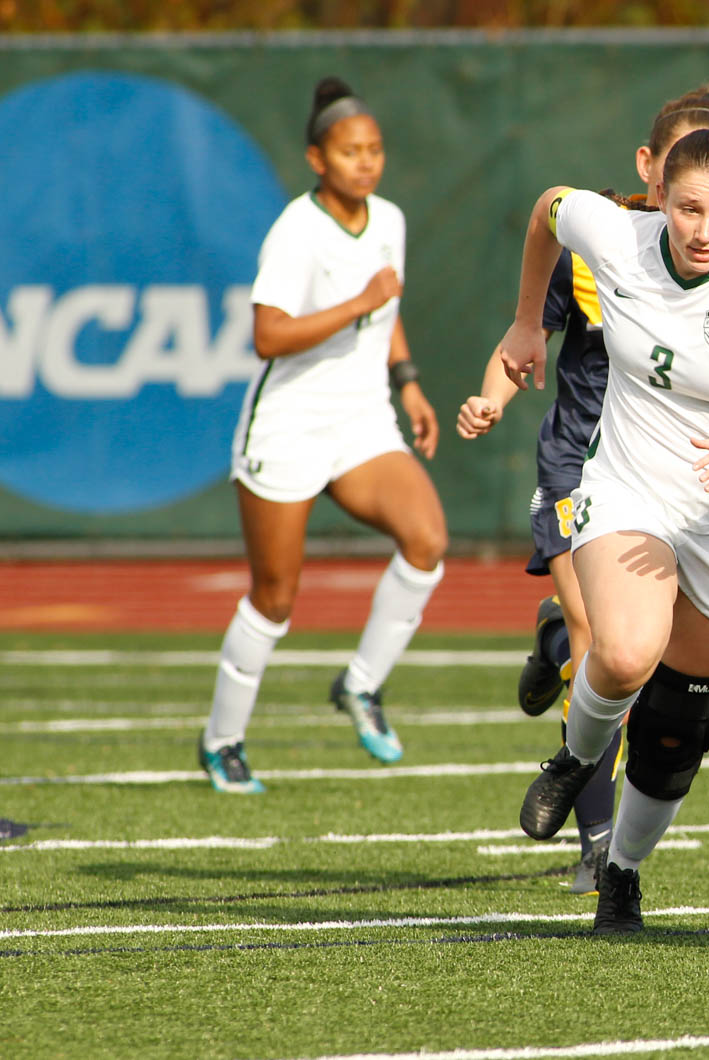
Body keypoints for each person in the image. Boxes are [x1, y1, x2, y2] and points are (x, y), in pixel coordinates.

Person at [455, 55, 709, 894]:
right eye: (687, 201)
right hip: (599, 472)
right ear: (651, 178)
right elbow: (546, 212)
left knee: (680, 713)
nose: (700, 223)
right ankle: (582, 792)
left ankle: (621, 867)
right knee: (617, 651)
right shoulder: (611, 233)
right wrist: (510, 348)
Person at [197, 77, 447, 794]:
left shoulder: (389, 219)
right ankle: (222, 741)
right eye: (348, 152)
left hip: (363, 418)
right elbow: (268, 335)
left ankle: (361, 684)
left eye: (374, 150)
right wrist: (358, 302)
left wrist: (408, 380)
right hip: (289, 427)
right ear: (317, 158)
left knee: (426, 539)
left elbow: (387, 304)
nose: (365, 163)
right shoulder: (297, 231)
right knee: (275, 596)